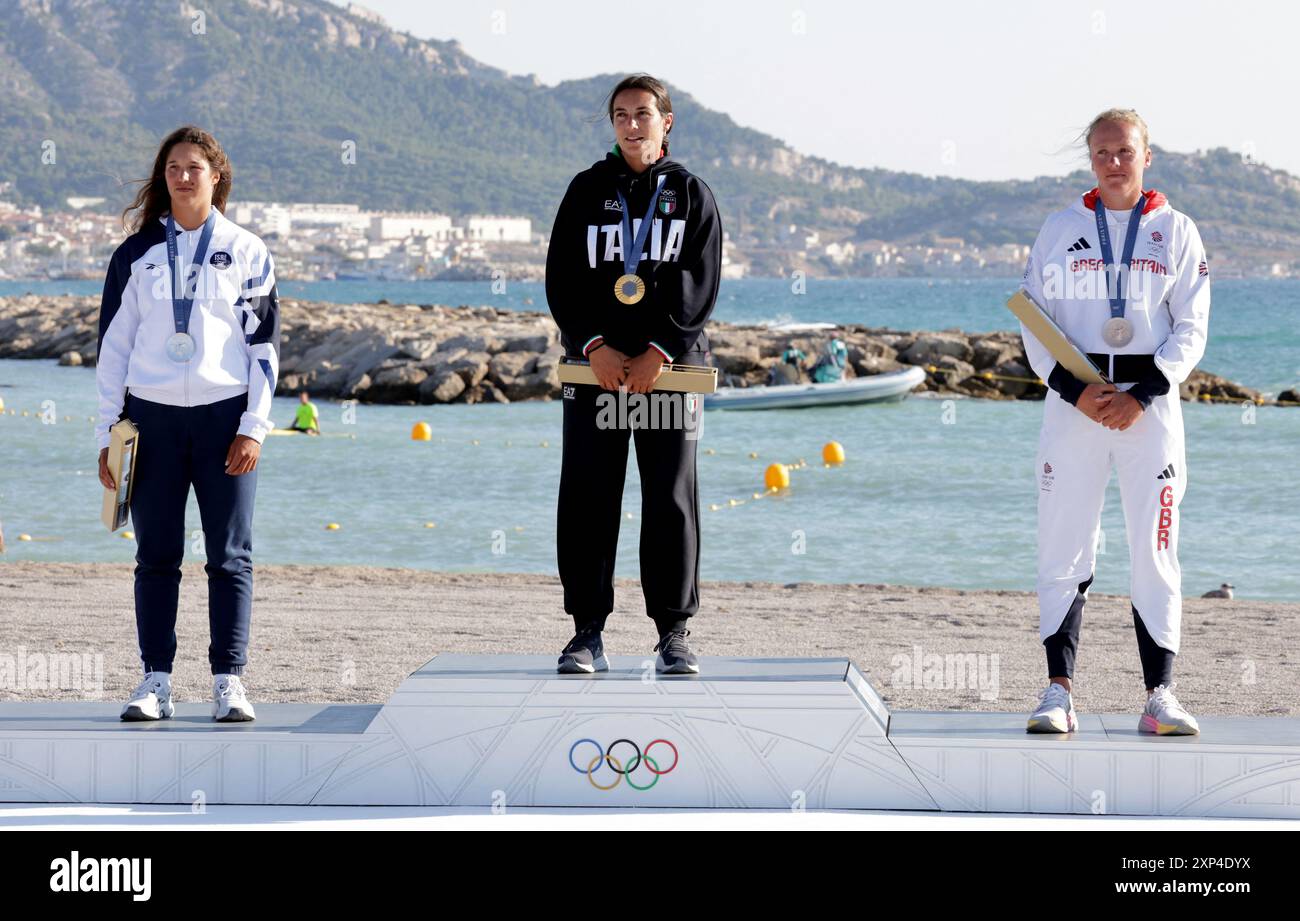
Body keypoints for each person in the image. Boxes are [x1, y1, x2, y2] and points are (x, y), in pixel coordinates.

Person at [1018, 109, 1210, 735]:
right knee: (1063, 543)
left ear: (1146, 156)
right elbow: (1034, 319)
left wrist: (1144, 392)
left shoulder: (1176, 231)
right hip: (1076, 406)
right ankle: (1057, 692)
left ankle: (1160, 695)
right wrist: (1074, 390)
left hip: (1148, 410)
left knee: (1154, 547)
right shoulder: (1060, 228)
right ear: (1091, 159)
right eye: (1102, 152)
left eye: (1124, 151)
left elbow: (1191, 328)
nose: (1113, 162)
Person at [96, 125, 280, 722]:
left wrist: (254, 425)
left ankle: (230, 680)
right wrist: (108, 434)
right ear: (163, 176)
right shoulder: (135, 254)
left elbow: (266, 348)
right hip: (150, 421)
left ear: (216, 175)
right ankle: (156, 681)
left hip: (225, 419)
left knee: (230, 556)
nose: (182, 176)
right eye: (173, 166)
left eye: (194, 166)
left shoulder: (248, 250)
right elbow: (111, 352)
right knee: (156, 555)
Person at [546, 74, 722, 675]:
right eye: (620, 114)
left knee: (670, 498)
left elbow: (701, 281)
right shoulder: (585, 190)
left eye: (642, 113)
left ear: (666, 121)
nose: (630, 124)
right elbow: (562, 279)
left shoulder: (692, 194)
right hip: (596, 370)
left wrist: (660, 350)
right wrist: (593, 344)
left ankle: (673, 632)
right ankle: (586, 632)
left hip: (668, 373)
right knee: (589, 497)